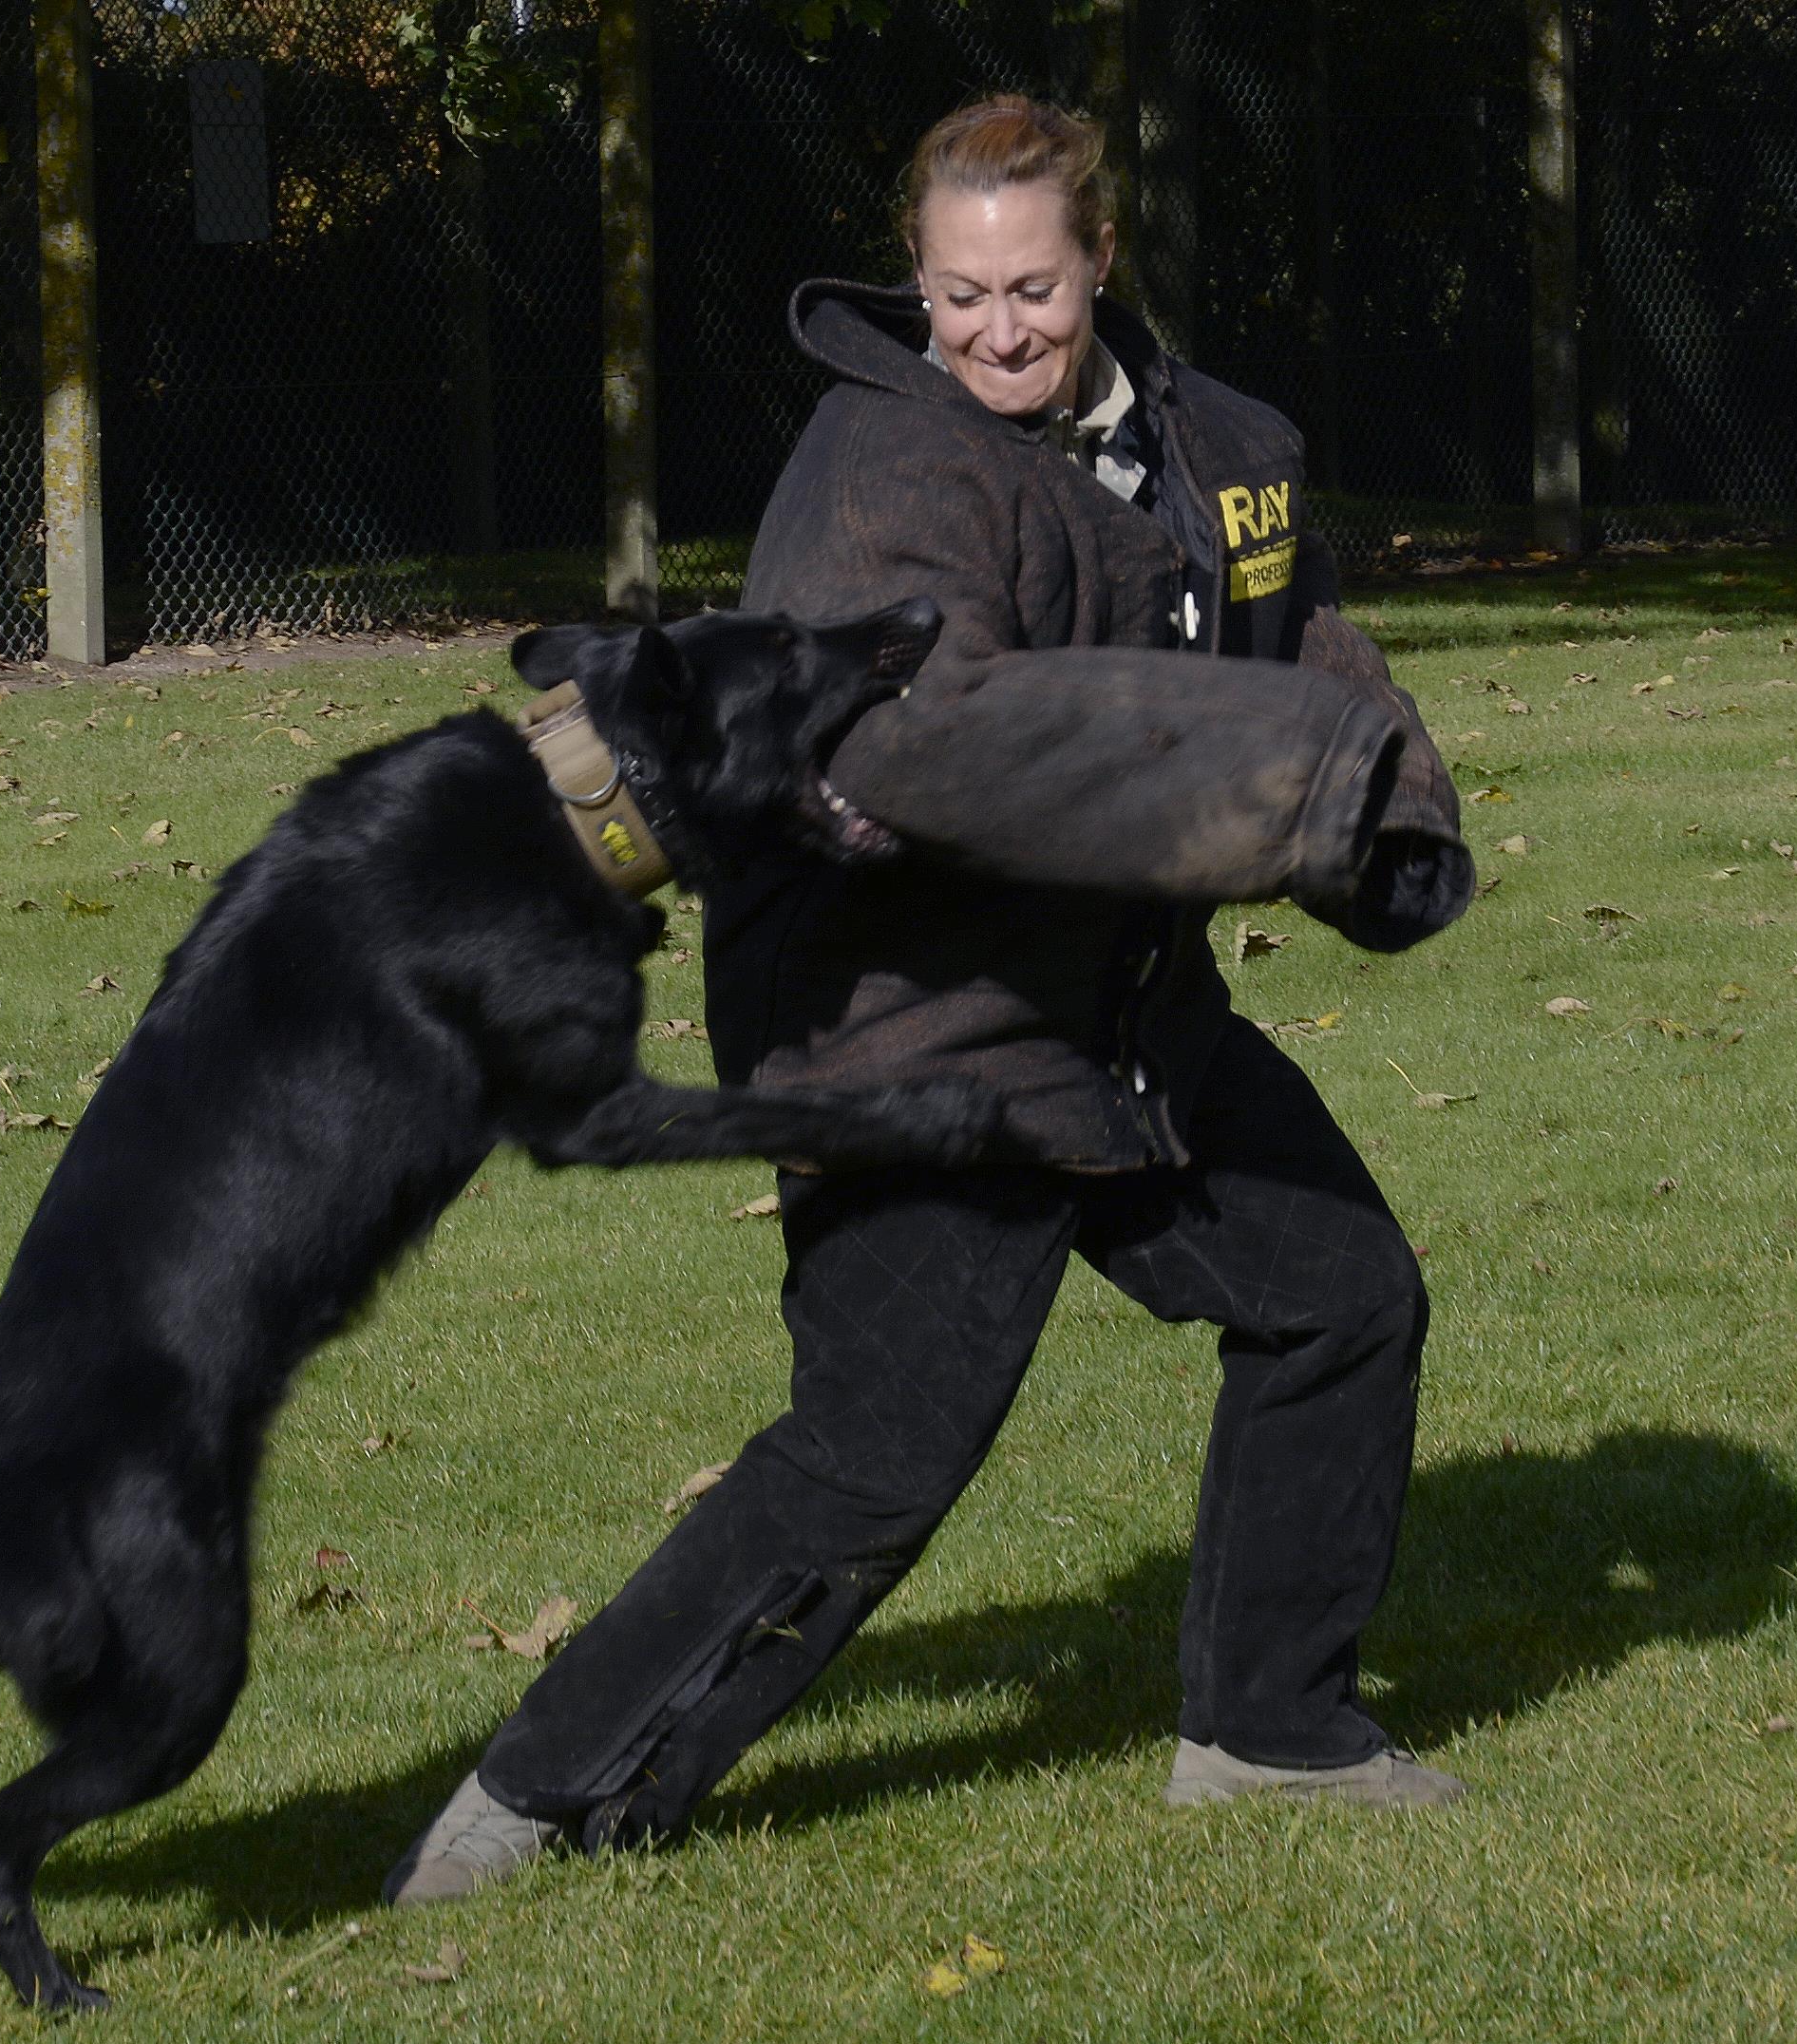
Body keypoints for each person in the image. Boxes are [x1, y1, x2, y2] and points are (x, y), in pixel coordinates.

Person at [387, 94, 1476, 1905]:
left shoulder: (1221, 443)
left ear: (1098, 261)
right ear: (915, 279)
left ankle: (1270, 1730)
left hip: (1126, 1022)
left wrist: (1386, 804)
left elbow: (1309, 648)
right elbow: (921, 732)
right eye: (960, 294)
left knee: (1342, 1296)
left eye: (1032, 289)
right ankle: (537, 1799)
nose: (996, 330)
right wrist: (1271, 788)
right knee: (872, 1459)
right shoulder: (880, 475)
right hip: (908, 1031)